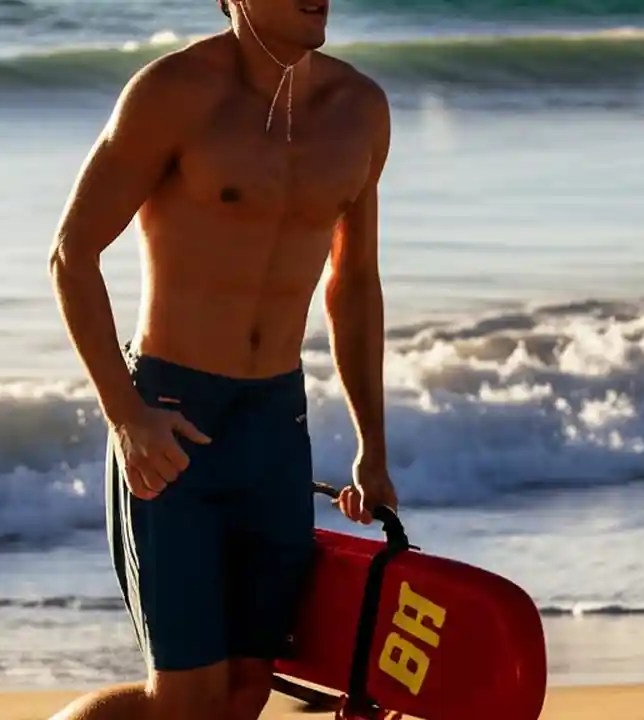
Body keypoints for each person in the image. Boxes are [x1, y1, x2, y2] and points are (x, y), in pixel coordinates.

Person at [47, 0, 396, 717]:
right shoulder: (174, 93)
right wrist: (126, 415)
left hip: (275, 422)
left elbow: (353, 284)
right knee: (185, 700)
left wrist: (373, 448)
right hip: (174, 417)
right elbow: (72, 254)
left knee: (244, 692)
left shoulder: (359, 109)